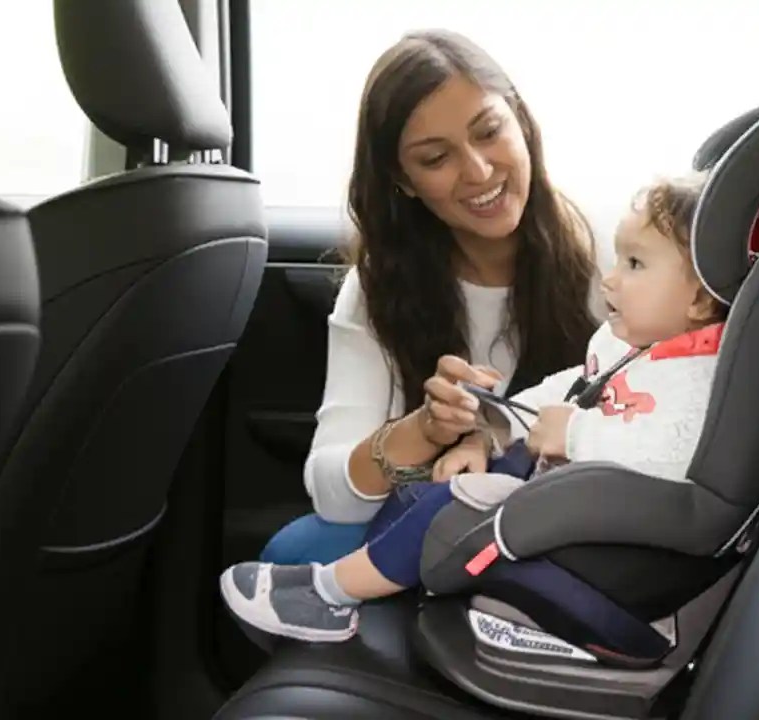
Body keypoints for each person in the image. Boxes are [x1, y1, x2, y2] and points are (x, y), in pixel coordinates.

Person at [220, 173, 730, 642]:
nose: (611, 279)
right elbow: (565, 388)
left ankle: (330, 593)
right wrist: (490, 430)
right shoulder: (632, 342)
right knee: (435, 491)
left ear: (702, 303)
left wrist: (577, 436)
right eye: (436, 157)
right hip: (559, 496)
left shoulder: (699, 378)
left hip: (598, 535)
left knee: (462, 505)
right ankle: (386, 571)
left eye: (634, 265)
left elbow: (676, 457)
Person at [258, 29, 601, 567]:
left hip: (577, 521)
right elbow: (331, 493)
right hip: (447, 526)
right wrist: (423, 430)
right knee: (295, 555)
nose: (479, 171)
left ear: (521, 120)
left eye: (489, 132)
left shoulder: (608, 255)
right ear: (405, 181)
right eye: (437, 158)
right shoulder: (379, 289)